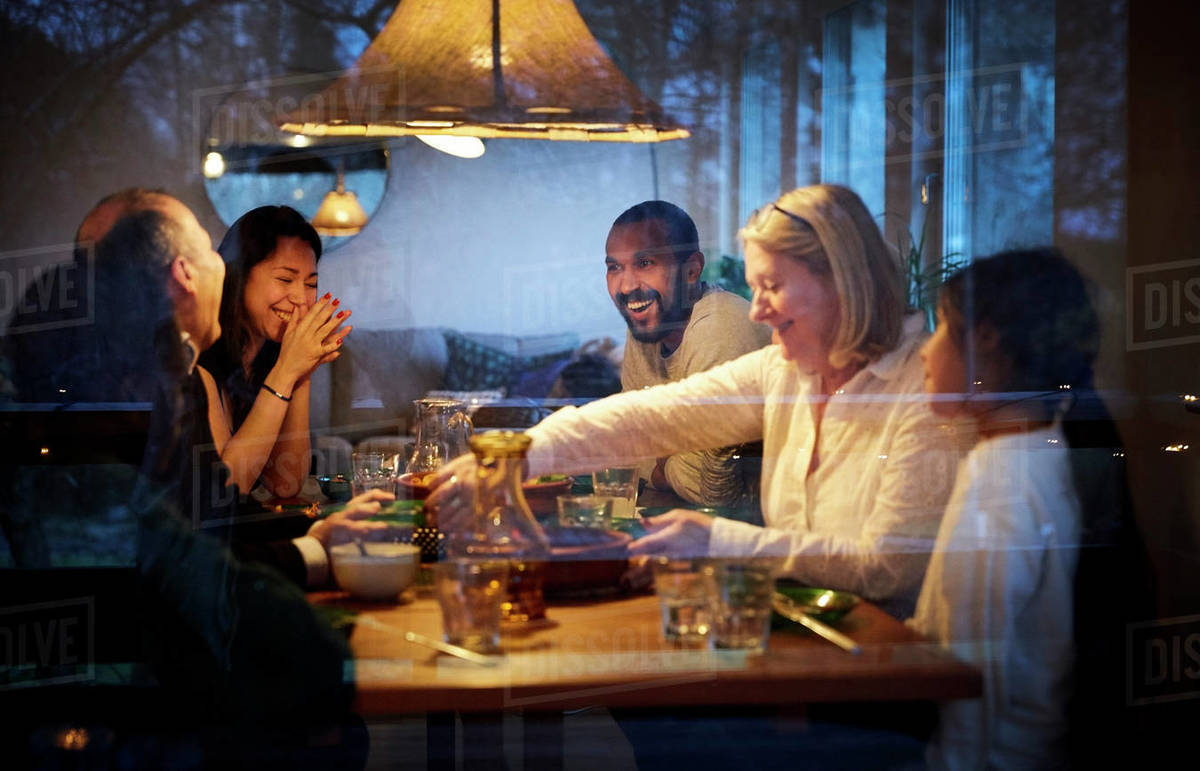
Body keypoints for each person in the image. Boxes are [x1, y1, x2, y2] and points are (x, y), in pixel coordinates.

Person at [431, 184, 967, 617]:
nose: (756, 311)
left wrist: (716, 539)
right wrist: (522, 454)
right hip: (788, 636)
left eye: (772, 286)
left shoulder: (925, 392)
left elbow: (888, 570)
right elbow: (650, 419)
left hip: (885, 673)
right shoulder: (788, 370)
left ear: (840, 283)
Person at [910, 247, 1153, 768]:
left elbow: (975, 682)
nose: (925, 352)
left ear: (986, 341)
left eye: (941, 326)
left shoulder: (1004, 478)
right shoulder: (1037, 450)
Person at [605, 201, 770, 505]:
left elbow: (712, 487)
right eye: (614, 267)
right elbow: (625, 442)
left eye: (645, 264)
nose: (626, 286)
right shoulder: (647, 319)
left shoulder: (719, 329)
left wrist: (659, 464)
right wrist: (667, 458)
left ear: (692, 270)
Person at [197, 205, 351, 499]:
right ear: (239, 275)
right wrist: (286, 372)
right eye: (284, 279)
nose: (300, 299)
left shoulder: (266, 359)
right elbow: (228, 487)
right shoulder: (199, 365)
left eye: (311, 284)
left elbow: (285, 484)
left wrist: (301, 374)